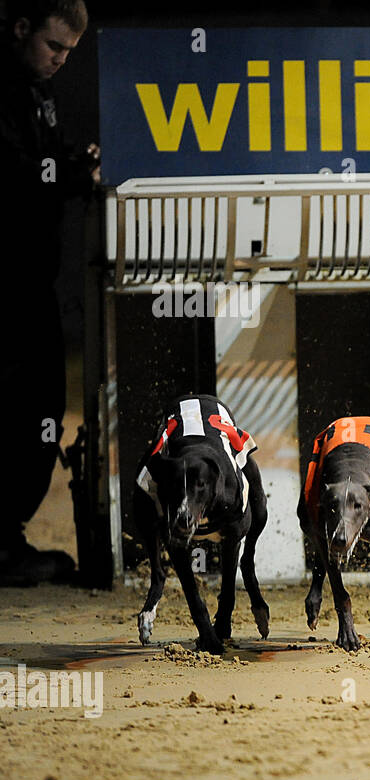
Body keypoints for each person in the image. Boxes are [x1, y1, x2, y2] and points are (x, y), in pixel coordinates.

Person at [0, 0, 98, 585]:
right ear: (20, 29)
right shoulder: (6, 89)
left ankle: (7, 538)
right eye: (54, 47)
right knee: (23, 407)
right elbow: (15, 174)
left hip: (27, 283)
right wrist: (68, 173)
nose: (61, 60)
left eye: (69, 53)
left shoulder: (36, 89)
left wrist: (68, 162)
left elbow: (37, 164)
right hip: (8, 287)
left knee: (40, 408)